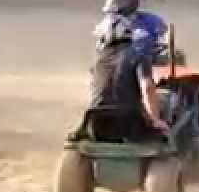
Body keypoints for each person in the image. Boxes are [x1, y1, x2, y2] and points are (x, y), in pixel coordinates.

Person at [72, 11, 168, 142]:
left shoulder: (98, 60)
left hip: (95, 122)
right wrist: (156, 120)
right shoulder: (139, 54)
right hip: (129, 124)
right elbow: (147, 88)